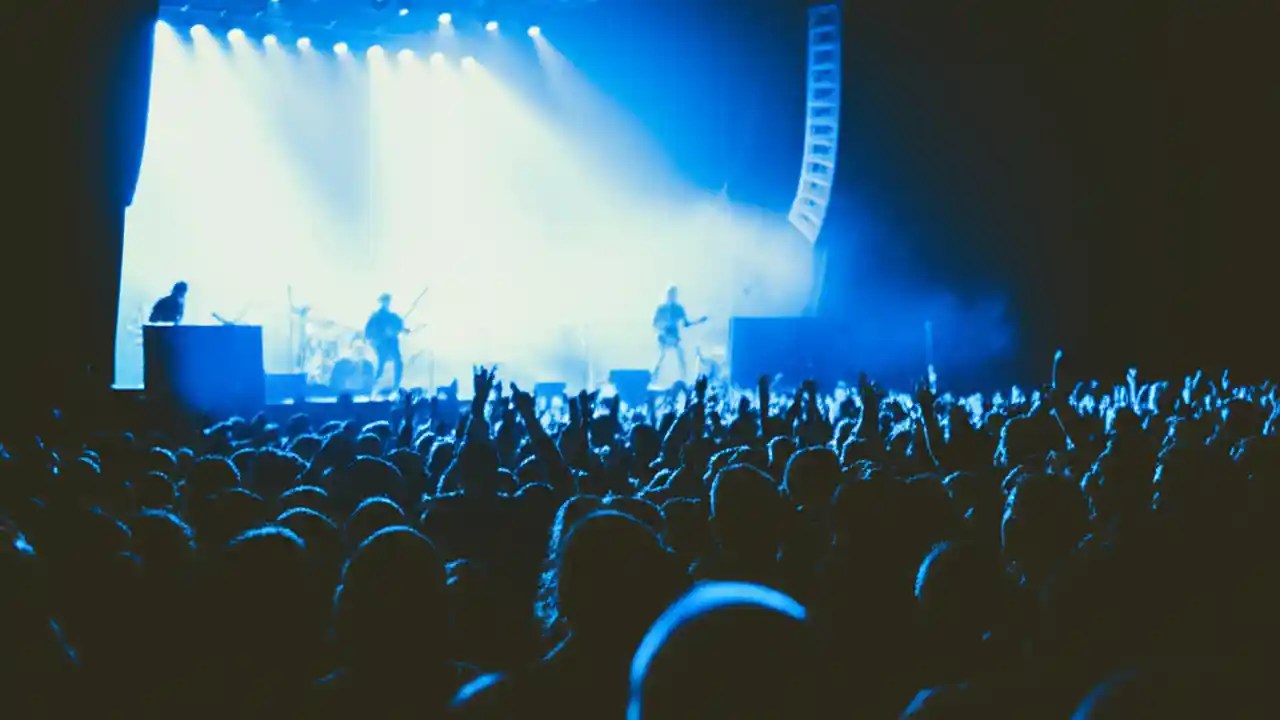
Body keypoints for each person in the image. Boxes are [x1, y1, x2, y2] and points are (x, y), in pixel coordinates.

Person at [652, 286, 705, 383]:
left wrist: (698, 321)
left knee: (680, 356)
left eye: (674, 294)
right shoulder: (661, 308)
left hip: (674, 337)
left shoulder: (678, 308)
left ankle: (684, 378)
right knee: (661, 356)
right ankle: (653, 377)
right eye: (670, 294)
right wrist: (662, 327)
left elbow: (686, 324)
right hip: (664, 336)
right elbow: (654, 323)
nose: (672, 296)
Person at [364, 293, 406, 393]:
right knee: (381, 365)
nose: (386, 303)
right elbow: (368, 332)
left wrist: (399, 330)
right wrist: (380, 336)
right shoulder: (376, 317)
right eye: (384, 300)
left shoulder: (393, 317)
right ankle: (374, 386)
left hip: (392, 344)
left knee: (398, 362)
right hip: (382, 345)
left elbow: (400, 327)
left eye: (387, 300)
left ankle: (396, 386)